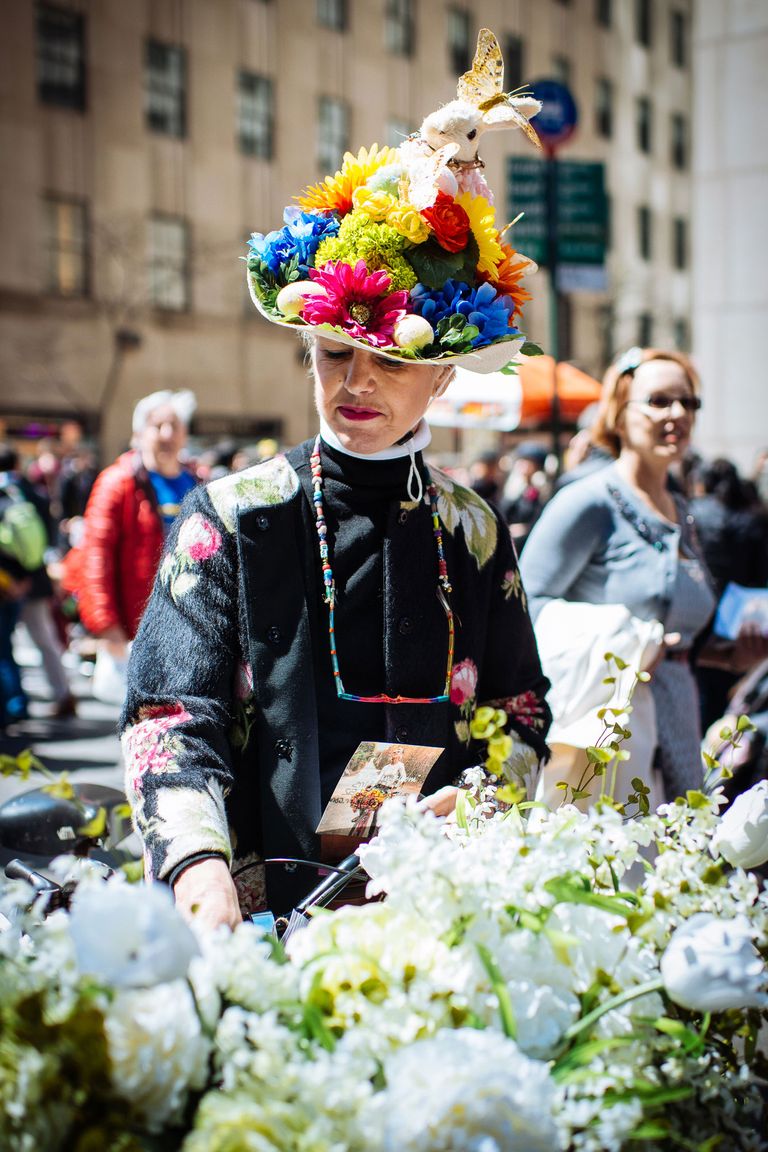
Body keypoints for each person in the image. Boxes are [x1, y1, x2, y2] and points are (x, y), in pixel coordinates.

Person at [120, 65, 552, 931]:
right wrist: (200, 871)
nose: (356, 383)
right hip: (253, 909)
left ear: (439, 377)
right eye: (332, 355)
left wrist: (480, 804)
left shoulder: (470, 531)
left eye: (390, 361)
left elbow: (520, 711)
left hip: (434, 900)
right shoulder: (233, 515)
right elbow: (171, 716)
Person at [519, 347, 767, 808]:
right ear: (618, 412)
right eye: (659, 401)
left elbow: (671, 641)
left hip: (677, 723)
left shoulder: (682, 513)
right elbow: (522, 607)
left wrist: (725, 655)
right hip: (602, 736)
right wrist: (630, 641)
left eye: (689, 402)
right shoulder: (587, 501)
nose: (678, 413)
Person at [61, 390, 197, 653]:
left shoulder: (197, 482)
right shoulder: (117, 482)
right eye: (158, 426)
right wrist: (107, 627)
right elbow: (95, 557)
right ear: (140, 434)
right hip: (134, 632)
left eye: (175, 426)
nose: (167, 434)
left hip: (190, 629)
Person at [690, 457, 768, 729]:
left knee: (701, 695)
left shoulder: (693, 513)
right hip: (744, 622)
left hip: (702, 618)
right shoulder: (754, 517)